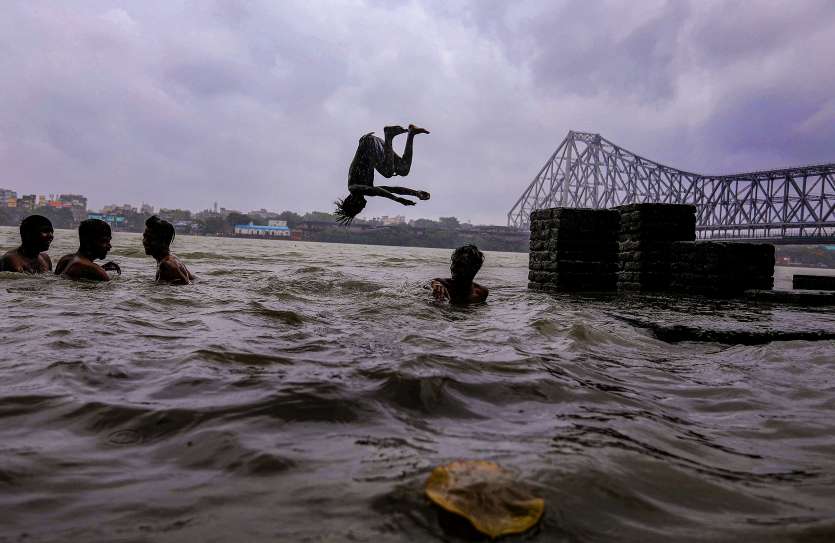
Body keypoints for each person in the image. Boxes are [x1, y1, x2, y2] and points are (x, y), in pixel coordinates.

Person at [334, 124, 430, 225]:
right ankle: (411, 133)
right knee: (403, 169)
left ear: (354, 204)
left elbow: (379, 191)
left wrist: (397, 199)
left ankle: (389, 135)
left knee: (388, 172)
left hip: (369, 144)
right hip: (375, 146)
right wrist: (415, 193)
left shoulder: (353, 188)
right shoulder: (364, 189)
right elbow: (391, 189)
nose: (364, 207)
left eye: (359, 209)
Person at [55, 219, 121, 281]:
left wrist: (102, 268)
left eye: (109, 241)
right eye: (104, 241)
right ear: (88, 243)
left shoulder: (65, 259)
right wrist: (100, 270)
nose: (109, 246)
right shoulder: (95, 270)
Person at [142, 215, 194, 285]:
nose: (145, 241)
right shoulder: (174, 259)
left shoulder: (165, 265)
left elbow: (186, 284)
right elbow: (192, 280)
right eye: (144, 237)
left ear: (163, 242)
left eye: (150, 238)